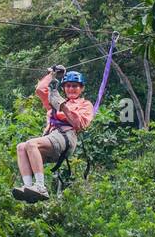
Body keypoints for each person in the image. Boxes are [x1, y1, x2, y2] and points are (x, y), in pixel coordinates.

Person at [14, 64, 95, 202]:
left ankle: (40, 186)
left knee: (31, 144)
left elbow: (80, 124)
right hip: (52, 137)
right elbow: (40, 90)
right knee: (21, 147)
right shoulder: (54, 99)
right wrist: (52, 74)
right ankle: (28, 187)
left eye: (75, 86)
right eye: (68, 86)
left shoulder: (85, 104)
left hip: (66, 137)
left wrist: (62, 106)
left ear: (81, 88)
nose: (71, 89)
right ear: (63, 87)